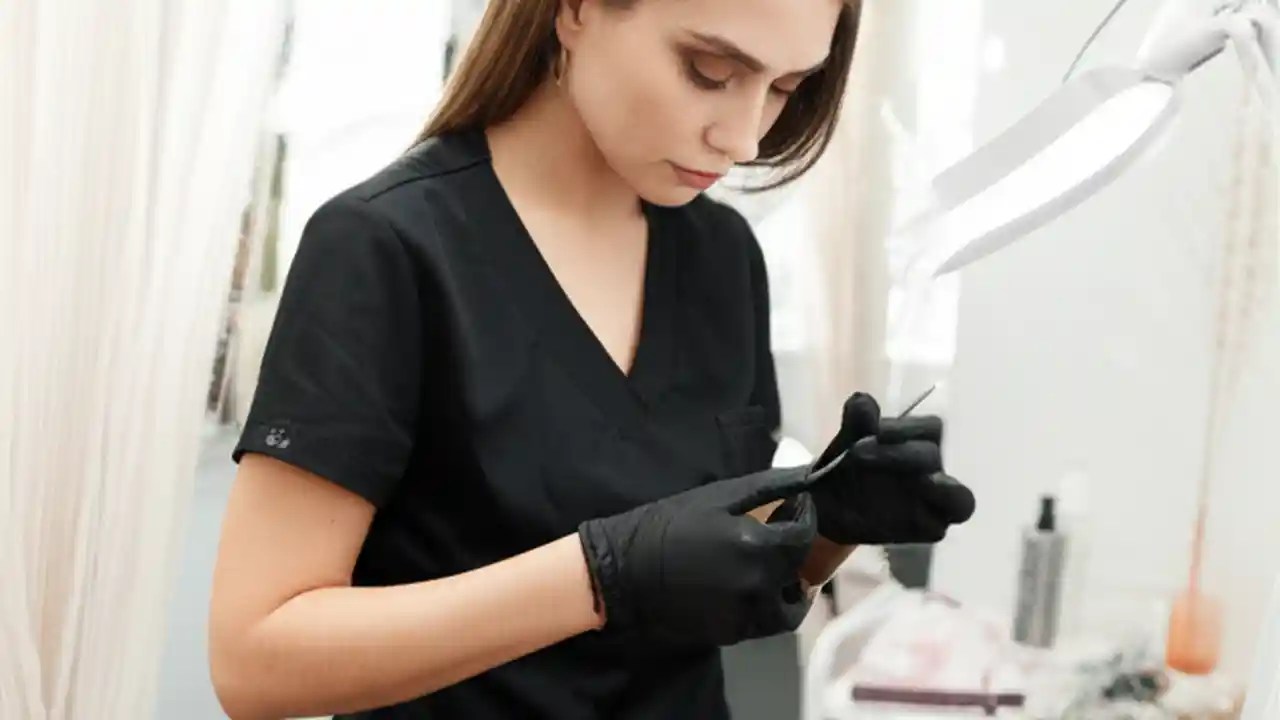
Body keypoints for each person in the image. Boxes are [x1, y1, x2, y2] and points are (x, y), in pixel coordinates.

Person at [208, 0, 976, 718]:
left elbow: (702, 578)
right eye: (710, 71)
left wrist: (825, 525)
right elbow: (254, 660)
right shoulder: (386, 249)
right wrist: (597, 575)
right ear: (575, 10)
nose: (744, 140)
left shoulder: (723, 256)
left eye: (785, 87)